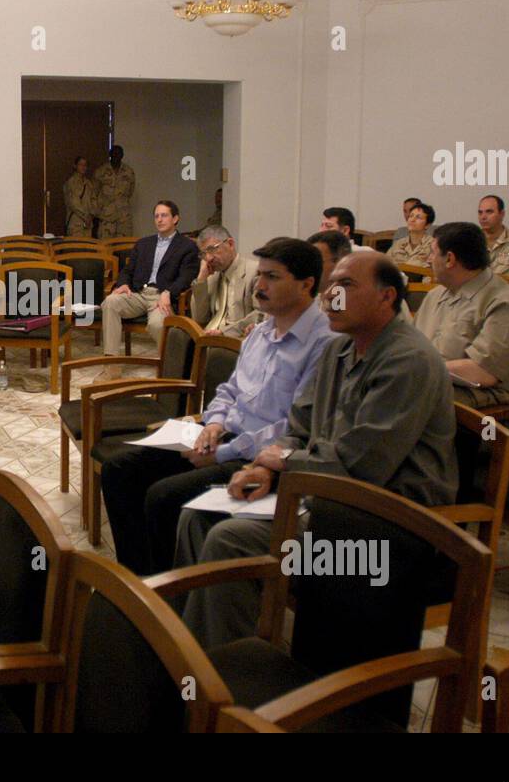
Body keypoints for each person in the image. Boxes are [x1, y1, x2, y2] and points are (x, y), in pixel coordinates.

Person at [175, 251, 458, 648]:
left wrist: (284, 461)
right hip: (324, 494)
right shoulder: (339, 350)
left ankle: (224, 672)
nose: (330, 297)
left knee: (230, 539)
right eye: (329, 287)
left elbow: (363, 467)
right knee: (197, 515)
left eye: (346, 286)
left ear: (387, 297)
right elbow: (300, 427)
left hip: (386, 521)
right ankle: (202, 648)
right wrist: (265, 470)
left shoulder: (407, 360)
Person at [100, 238, 334, 575]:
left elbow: (295, 427)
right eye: (260, 276)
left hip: (260, 458)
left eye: (272, 277)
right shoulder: (260, 332)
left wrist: (221, 452)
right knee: (120, 469)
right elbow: (230, 390)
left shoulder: (324, 344)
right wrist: (212, 424)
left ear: (306, 284)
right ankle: (140, 581)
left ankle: (169, 593)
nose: (261, 286)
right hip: (222, 437)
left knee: (163, 497)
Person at [415, 222, 509, 408]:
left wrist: (415, 371)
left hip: (486, 399)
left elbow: (483, 373)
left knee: (404, 396)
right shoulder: (435, 295)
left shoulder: (506, 304)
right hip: (435, 381)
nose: (428, 259)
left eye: (432, 253)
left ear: (450, 259)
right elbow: (411, 346)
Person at [97, 200, 200, 377]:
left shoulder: (187, 246)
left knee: (157, 323)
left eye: (164, 215)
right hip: (137, 293)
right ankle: (111, 364)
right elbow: (128, 270)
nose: (159, 219)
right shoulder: (144, 244)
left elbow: (186, 277)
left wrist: (169, 293)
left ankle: (173, 367)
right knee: (110, 302)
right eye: (156, 216)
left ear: (175, 219)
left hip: (162, 296)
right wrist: (123, 284)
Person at [190, 225, 262, 337]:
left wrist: (225, 332)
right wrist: (201, 280)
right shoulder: (211, 276)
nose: (208, 258)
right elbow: (199, 318)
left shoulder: (254, 271)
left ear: (230, 244)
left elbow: (260, 314)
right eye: (204, 253)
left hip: (237, 339)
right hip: (209, 336)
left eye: (212, 249)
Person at [93, 145, 135, 238]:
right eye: (114, 153)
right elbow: (94, 193)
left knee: (124, 247)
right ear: (110, 154)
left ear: (122, 155)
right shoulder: (101, 172)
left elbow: (130, 192)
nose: (116, 156)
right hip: (106, 217)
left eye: (119, 154)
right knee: (105, 247)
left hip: (123, 217)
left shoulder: (128, 172)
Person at [388, 202, 436, 266]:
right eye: (411, 216)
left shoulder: (433, 244)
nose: (412, 220)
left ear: (427, 225)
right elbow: (384, 263)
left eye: (418, 217)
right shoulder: (398, 243)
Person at [62, 157, 95, 237]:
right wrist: (85, 216)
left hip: (88, 223)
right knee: (76, 247)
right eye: (81, 164)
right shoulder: (71, 182)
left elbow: (93, 199)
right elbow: (74, 203)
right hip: (76, 223)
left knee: (87, 247)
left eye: (85, 165)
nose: (83, 167)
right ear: (75, 166)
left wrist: (91, 215)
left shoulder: (88, 183)